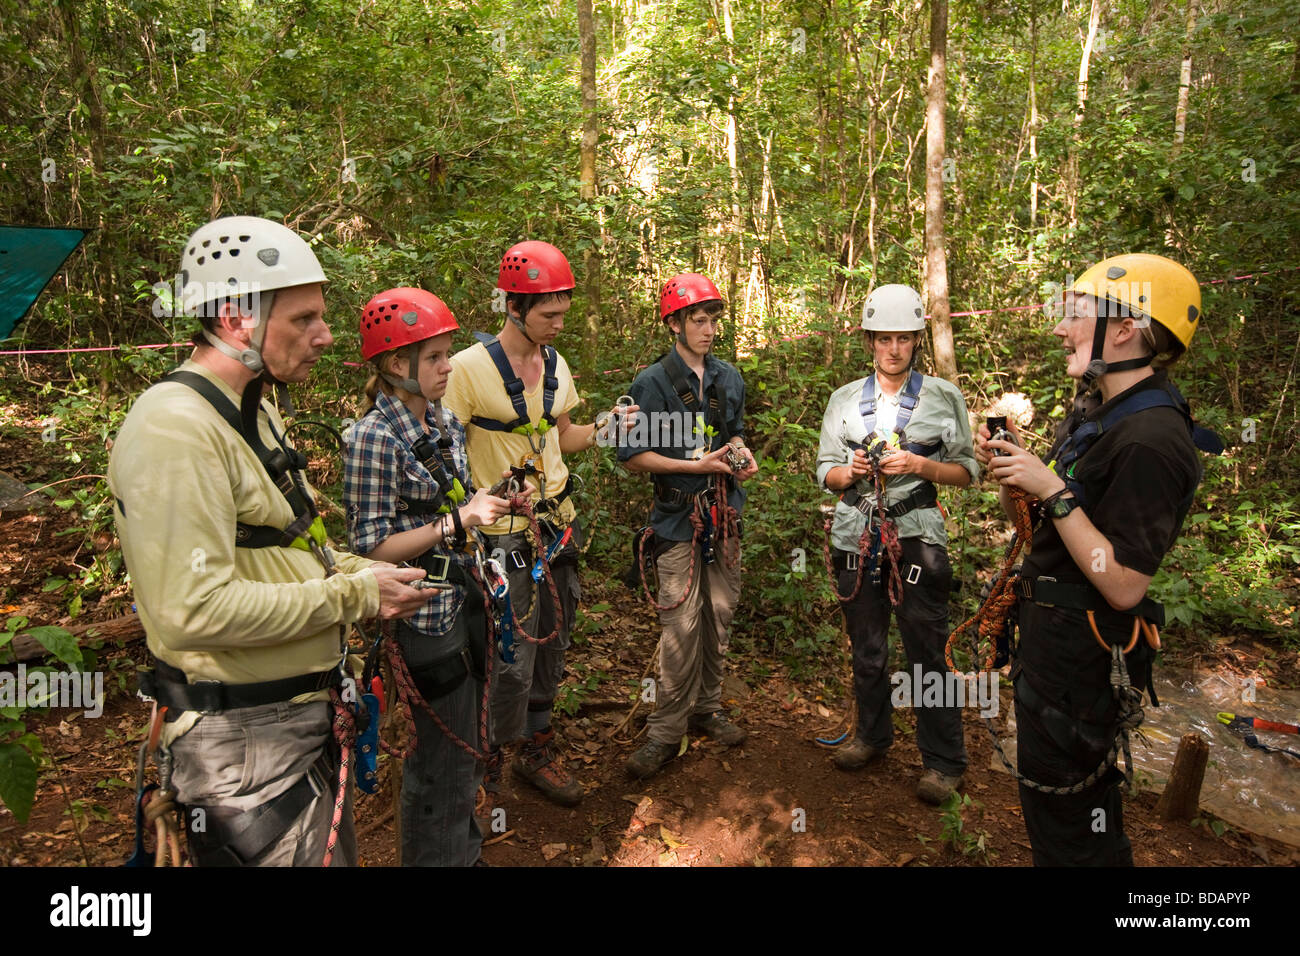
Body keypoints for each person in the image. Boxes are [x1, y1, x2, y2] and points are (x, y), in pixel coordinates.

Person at [109, 216, 432, 867]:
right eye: (304, 319)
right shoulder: (174, 429)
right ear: (237, 317)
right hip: (242, 747)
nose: (326, 335)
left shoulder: (255, 409)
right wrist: (352, 595)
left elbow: (294, 547)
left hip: (301, 719)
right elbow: (192, 610)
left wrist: (370, 576)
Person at [977, 253, 1209, 866]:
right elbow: (1043, 534)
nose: (1060, 328)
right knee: (1056, 817)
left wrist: (1050, 488)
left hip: (1084, 661)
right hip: (1054, 648)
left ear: (1126, 327)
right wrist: (1019, 475)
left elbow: (1126, 585)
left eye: (1075, 313)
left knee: (1076, 833)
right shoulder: (1096, 417)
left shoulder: (1153, 440)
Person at [443, 240, 631, 808]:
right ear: (515, 308)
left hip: (556, 526)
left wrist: (608, 426)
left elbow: (564, 438)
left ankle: (535, 744)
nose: (557, 325)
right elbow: (446, 458)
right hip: (502, 539)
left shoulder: (555, 365)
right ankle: (489, 757)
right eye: (548, 314)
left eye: (563, 314)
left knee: (554, 640)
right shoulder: (466, 372)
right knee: (511, 653)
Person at [343, 287, 512, 866]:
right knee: (437, 758)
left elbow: (455, 505)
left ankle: (461, 854)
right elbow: (370, 547)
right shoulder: (373, 437)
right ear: (397, 365)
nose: (448, 367)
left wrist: (488, 503)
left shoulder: (439, 421)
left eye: (448, 354)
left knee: (466, 742)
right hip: (421, 615)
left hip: (462, 598)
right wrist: (456, 521)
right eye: (436, 358)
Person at [815, 284, 978, 804]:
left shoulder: (942, 397)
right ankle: (872, 736)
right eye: (884, 339)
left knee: (927, 649)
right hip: (855, 535)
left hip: (917, 537)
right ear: (870, 342)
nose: (893, 349)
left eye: (903, 339)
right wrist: (850, 471)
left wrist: (919, 465)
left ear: (916, 341)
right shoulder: (844, 400)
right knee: (867, 647)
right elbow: (824, 472)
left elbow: (967, 471)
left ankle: (943, 761)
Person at [619, 273, 759, 779]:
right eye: (697, 320)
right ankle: (664, 731)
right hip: (677, 520)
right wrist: (693, 468)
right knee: (680, 625)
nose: (707, 329)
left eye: (712, 319)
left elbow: (735, 431)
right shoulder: (651, 384)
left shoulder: (728, 378)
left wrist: (741, 457)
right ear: (674, 324)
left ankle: (708, 706)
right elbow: (631, 456)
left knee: (718, 615)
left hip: (723, 516)